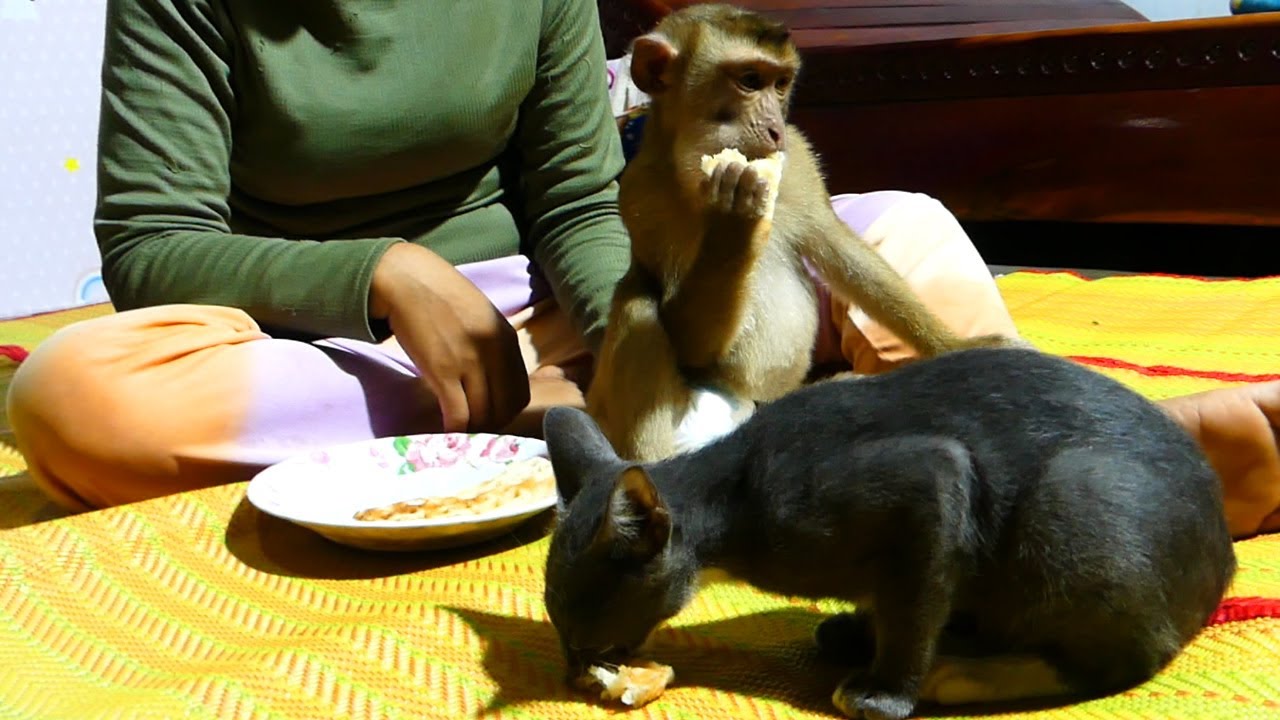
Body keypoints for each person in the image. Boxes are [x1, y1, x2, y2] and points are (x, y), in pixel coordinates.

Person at [6, 0, 1279, 541]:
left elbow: (571, 194)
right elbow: (152, 241)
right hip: (322, 334)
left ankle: (1079, 459)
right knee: (76, 396)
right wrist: (385, 272)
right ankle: (649, 442)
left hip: (552, 313)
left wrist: (654, 337)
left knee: (903, 225)